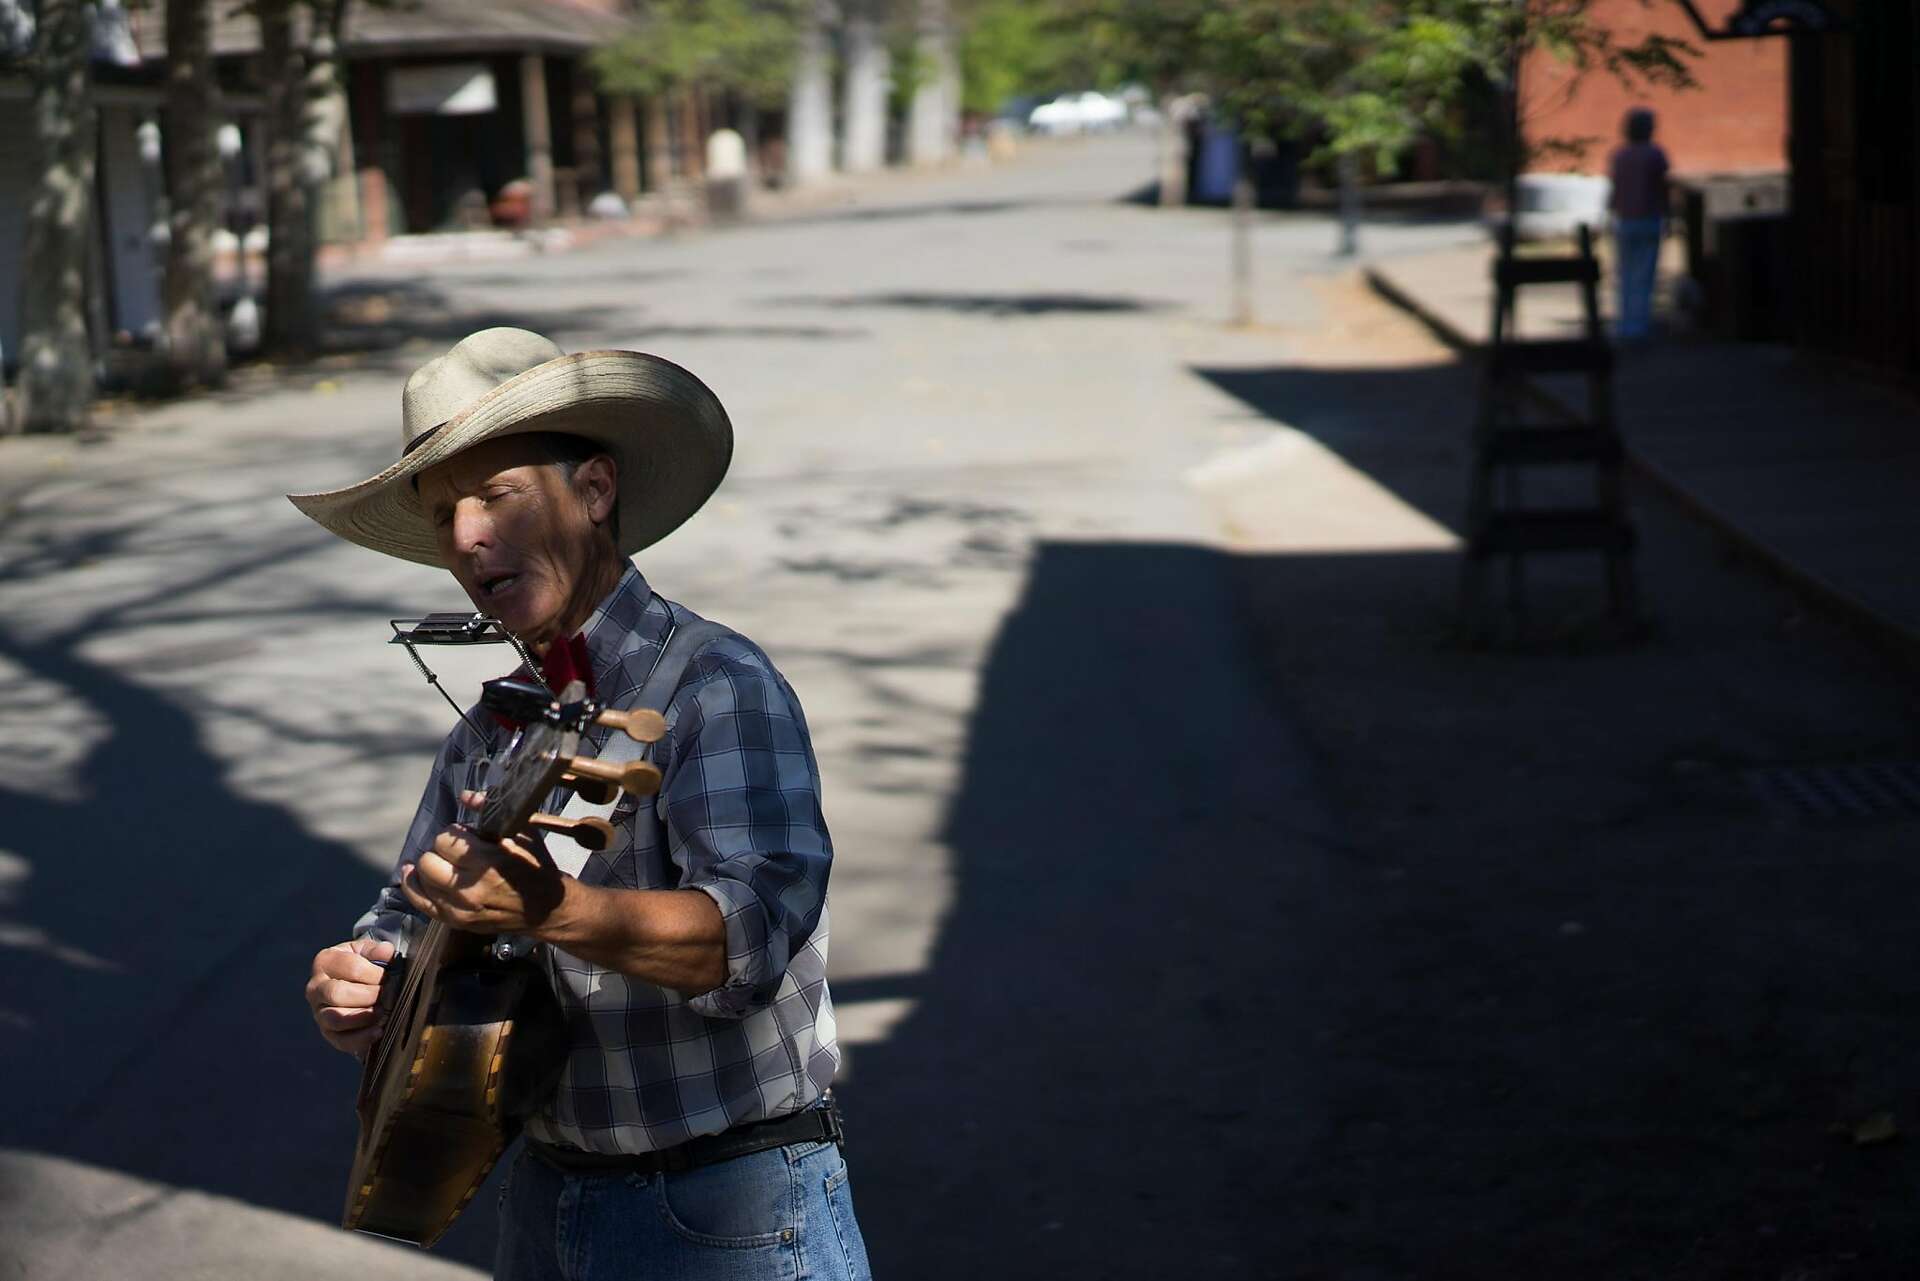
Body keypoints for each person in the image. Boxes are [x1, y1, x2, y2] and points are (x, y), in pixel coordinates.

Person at [290, 327, 872, 1281]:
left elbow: (753, 936)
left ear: (594, 490)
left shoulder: (714, 684)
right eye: (443, 514)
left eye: (496, 494)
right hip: (548, 1200)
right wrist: (361, 982)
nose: (467, 536)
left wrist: (551, 910)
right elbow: (404, 920)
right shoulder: (491, 729)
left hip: (729, 1208)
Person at [1608, 107, 1670, 341]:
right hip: (1648, 219)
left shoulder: (1620, 155)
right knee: (1645, 275)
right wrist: (1669, 216)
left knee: (1625, 274)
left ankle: (1626, 324)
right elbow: (1662, 189)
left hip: (1625, 220)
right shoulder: (1655, 154)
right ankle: (1640, 324)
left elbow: (1614, 192)